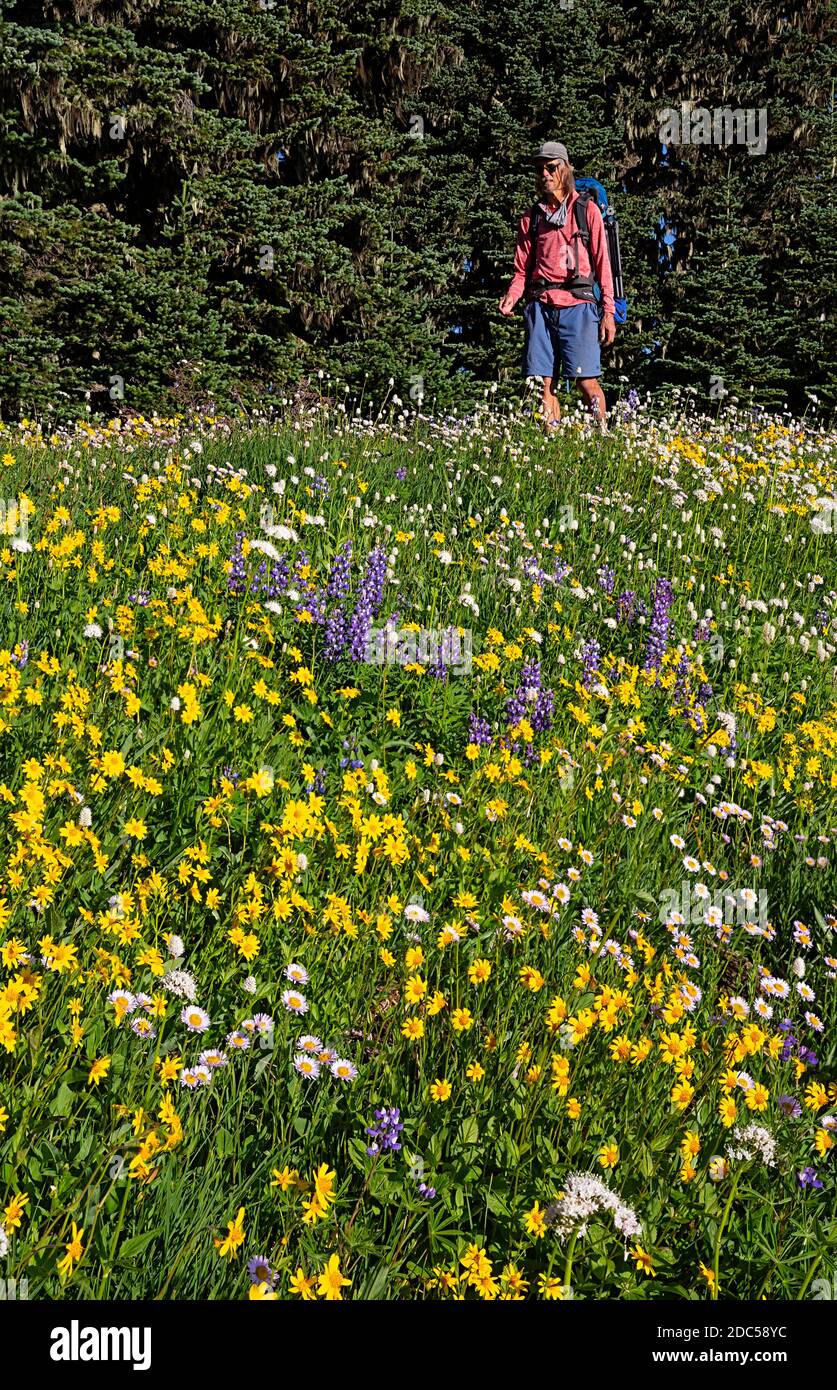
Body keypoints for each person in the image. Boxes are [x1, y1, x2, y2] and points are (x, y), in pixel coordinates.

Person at [499, 141, 616, 429]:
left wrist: (609, 312)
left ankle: (603, 441)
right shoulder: (532, 218)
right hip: (540, 306)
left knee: (586, 381)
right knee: (541, 384)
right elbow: (521, 269)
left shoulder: (586, 212)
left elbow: (604, 265)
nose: (545, 174)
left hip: (579, 305)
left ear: (564, 169)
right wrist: (512, 296)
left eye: (551, 167)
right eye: (540, 169)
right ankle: (551, 447)